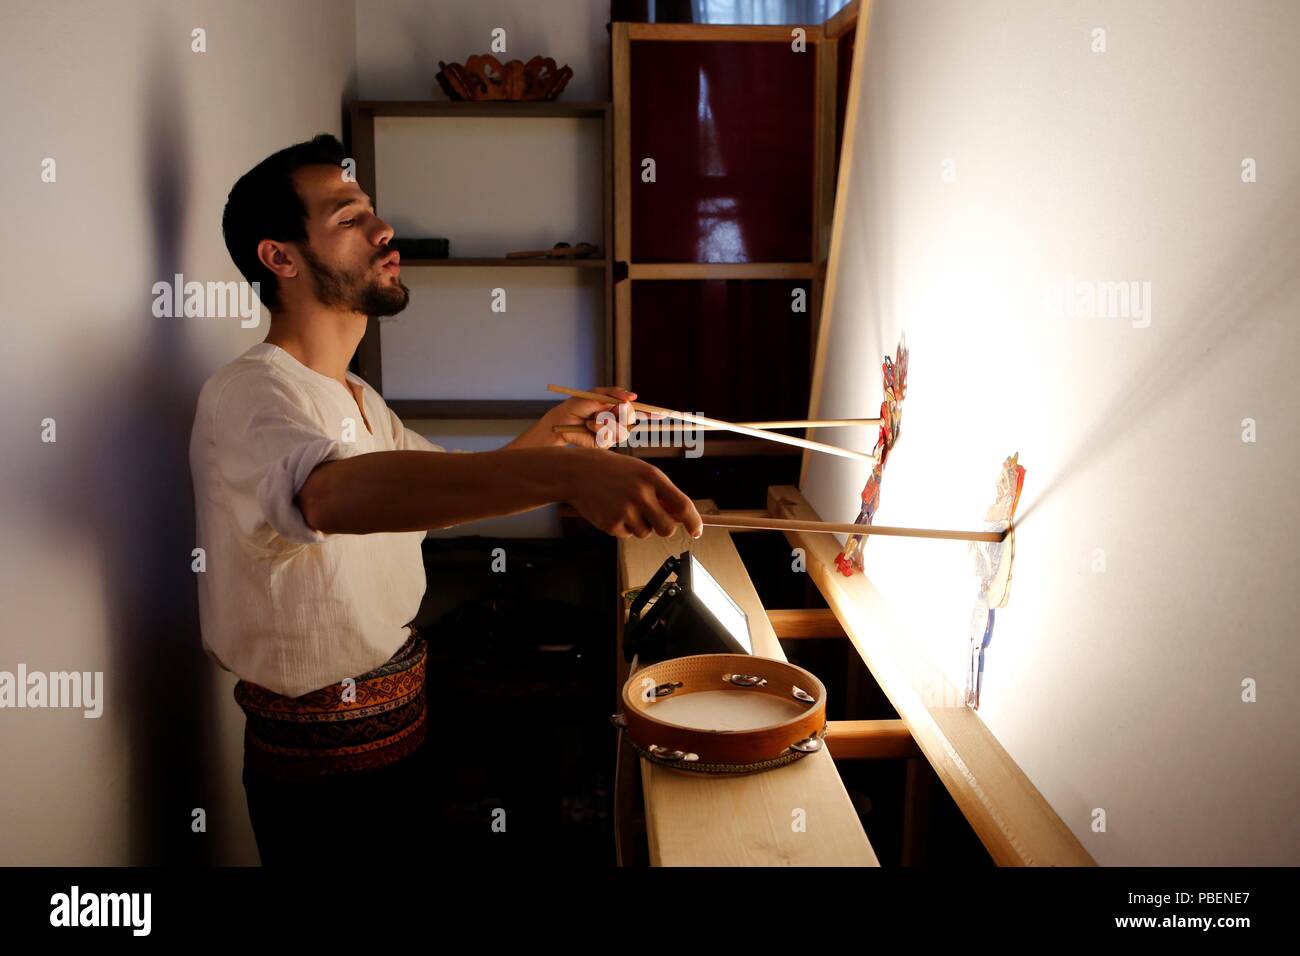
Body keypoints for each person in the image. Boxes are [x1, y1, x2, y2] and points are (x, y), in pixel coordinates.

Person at [190, 133, 702, 865]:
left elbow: (434, 497)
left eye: (372, 211)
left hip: (403, 731)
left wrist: (559, 439)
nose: (383, 229)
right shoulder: (250, 392)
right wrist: (565, 479)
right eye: (347, 218)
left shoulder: (356, 395)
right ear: (281, 258)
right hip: (319, 779)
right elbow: (330, 497)